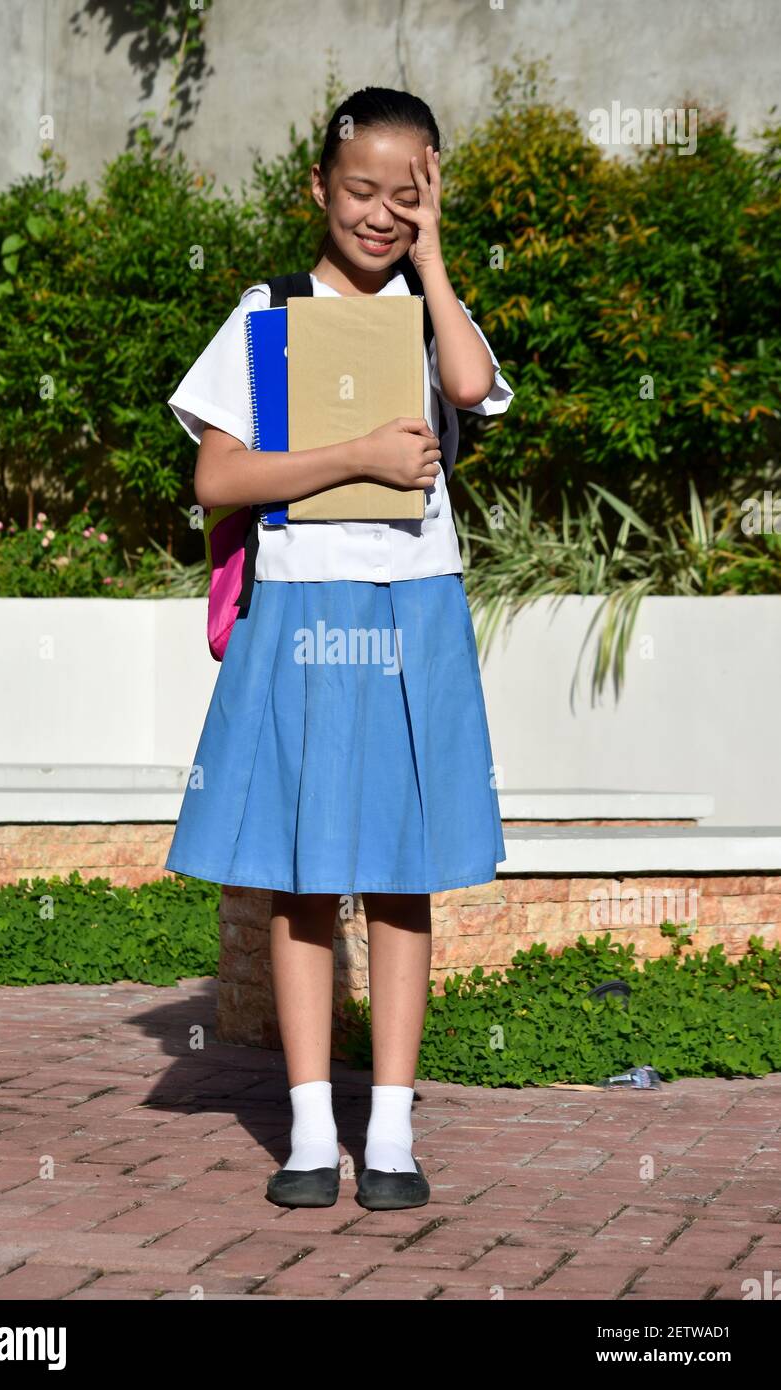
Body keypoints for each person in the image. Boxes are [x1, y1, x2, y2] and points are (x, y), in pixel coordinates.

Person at [164, 86, 514, 1211]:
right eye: (358, 189)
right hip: (304, 607)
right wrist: (351, 451)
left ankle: (394, 1132)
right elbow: (217, 477)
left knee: (403, 878)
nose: (377, 212)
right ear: (318, 187)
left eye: (403, 193)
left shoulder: (429, 308)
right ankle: (312, 1132)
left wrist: (438, 258)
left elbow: (468, 388)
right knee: (306, 880)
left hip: (413, 605)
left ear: (430, 193)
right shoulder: (265, 313)